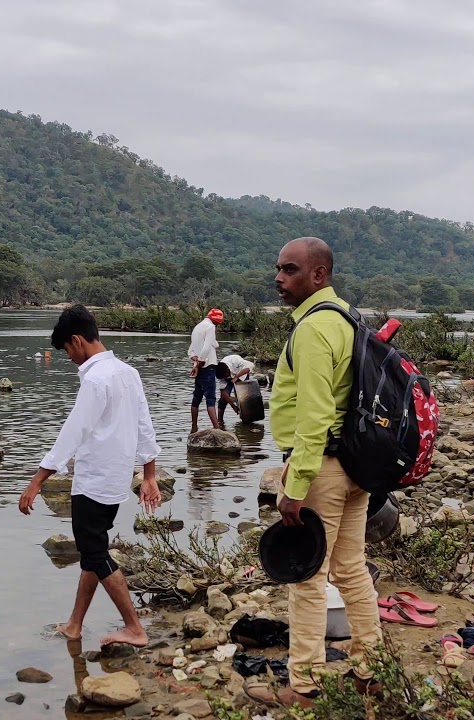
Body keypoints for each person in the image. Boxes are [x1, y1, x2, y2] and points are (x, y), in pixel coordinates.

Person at [245, 237, 380, 708]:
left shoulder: (314, 329)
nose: (278, 279)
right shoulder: (348, 317)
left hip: (322, 468)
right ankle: (371, 671)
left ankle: (304, 686)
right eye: (278, 269)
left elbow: (316, 416)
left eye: (290, 270)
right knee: (351, 570)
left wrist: (295, 486)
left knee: (308, 580)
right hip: (355, 464)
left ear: (318, 274)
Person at [18, 305, 162, 648]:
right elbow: (145, 424)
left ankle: (134, 628)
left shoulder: (96, 379)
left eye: (67, 350)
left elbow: (73, 433)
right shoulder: (127, 372)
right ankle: (75, 625)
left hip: (95, 482)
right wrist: (149, 475)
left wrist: (37, 481)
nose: (69, 358)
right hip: (115, 480)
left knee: (95, 553)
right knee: (91, 551)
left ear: (77, 340)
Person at [188, 308, 224, 434]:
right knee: (210, 399)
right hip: (208, 367)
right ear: (216, 321)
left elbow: (191, 351)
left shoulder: (197, 327)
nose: (217, 326)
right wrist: (201, 361)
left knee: (196, 398)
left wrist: (196, 363)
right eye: (218, 323)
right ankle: (217, 428)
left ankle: (194, 427)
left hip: (199, 367)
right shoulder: (210, 327)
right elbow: (207, 347)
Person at [217, 353, 256, 424]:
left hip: (241, 374)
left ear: (228, 370)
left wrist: (236, 377)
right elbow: (224, 393)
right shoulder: (220, 372)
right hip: (230, 379)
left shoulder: (235, 360)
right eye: (223, 378)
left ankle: (247, 419)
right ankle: (220, 421)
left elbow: (248, 368)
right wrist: (233, 406)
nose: (225, 378)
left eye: (226, 376)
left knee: (244, 398)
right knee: (222, 400)